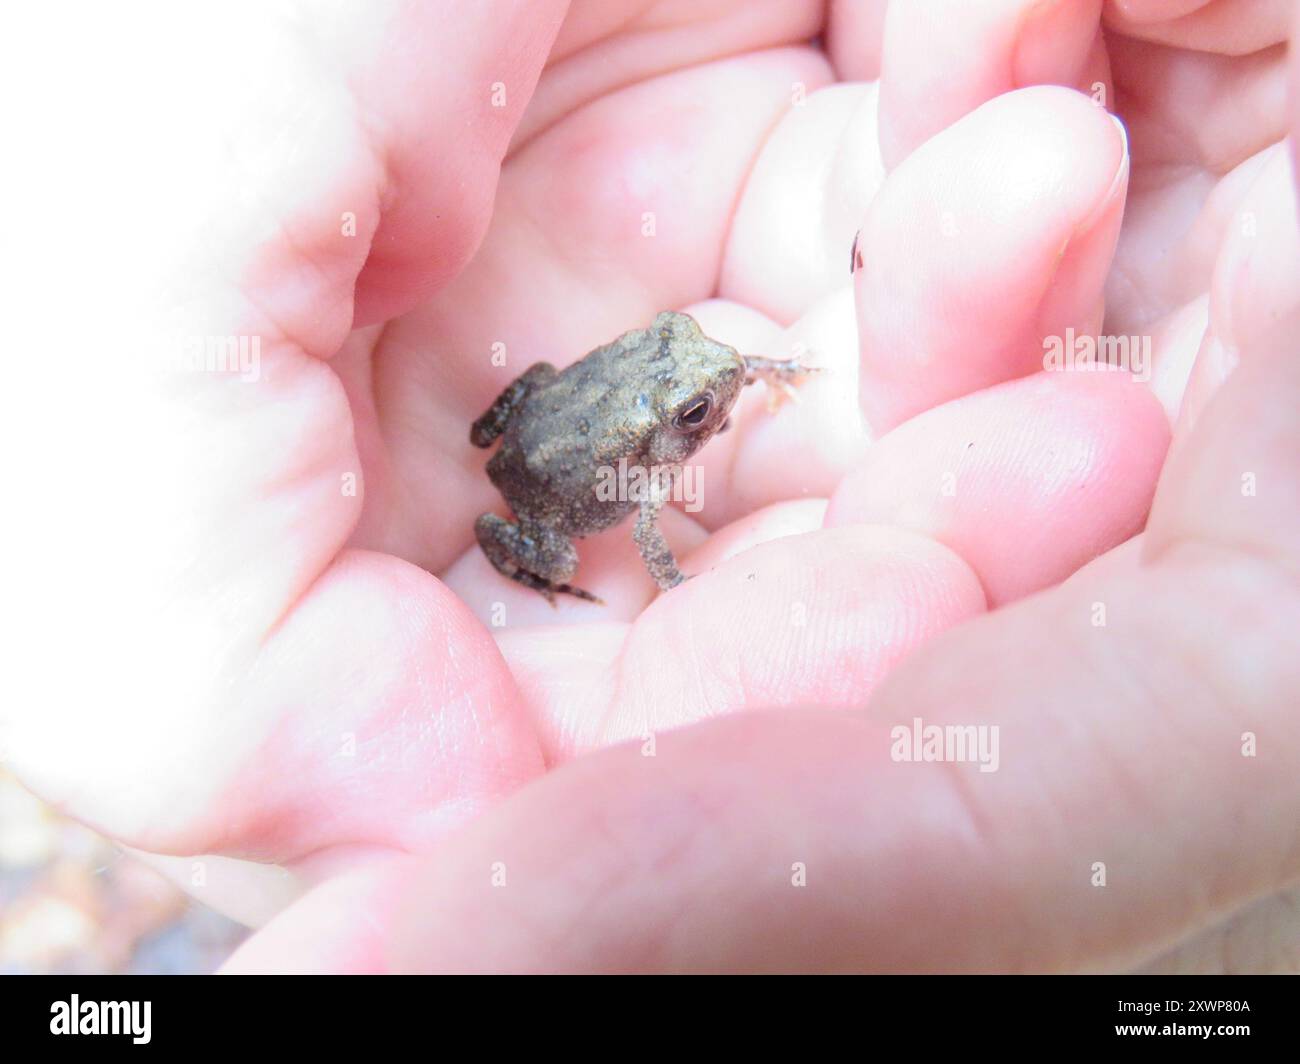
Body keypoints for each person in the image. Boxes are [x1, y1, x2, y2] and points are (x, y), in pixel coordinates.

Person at [6, 0, 1297, 972]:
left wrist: (730, 382)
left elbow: (690, 364)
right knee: (542, 550)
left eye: (705, 391)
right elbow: (648, 532)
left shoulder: (689, 377)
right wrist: (667, 573)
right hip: (546, 470)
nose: (712, 398)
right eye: (699, 411)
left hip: (568, 394)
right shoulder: (630, 486)